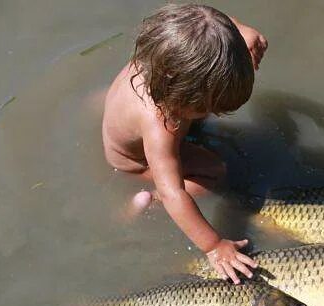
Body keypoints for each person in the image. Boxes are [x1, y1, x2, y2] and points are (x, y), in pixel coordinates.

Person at [102, 4, 268, 283]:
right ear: (180, 98)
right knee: (214, 171)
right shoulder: (160, 124)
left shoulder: (168, 46)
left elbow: (209, 23)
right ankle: (147, 201)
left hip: (126, 116)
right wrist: (214, 246)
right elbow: (174, 192)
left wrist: (241, 33)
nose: (213, 115)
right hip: (135, 162)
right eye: (207, 109)